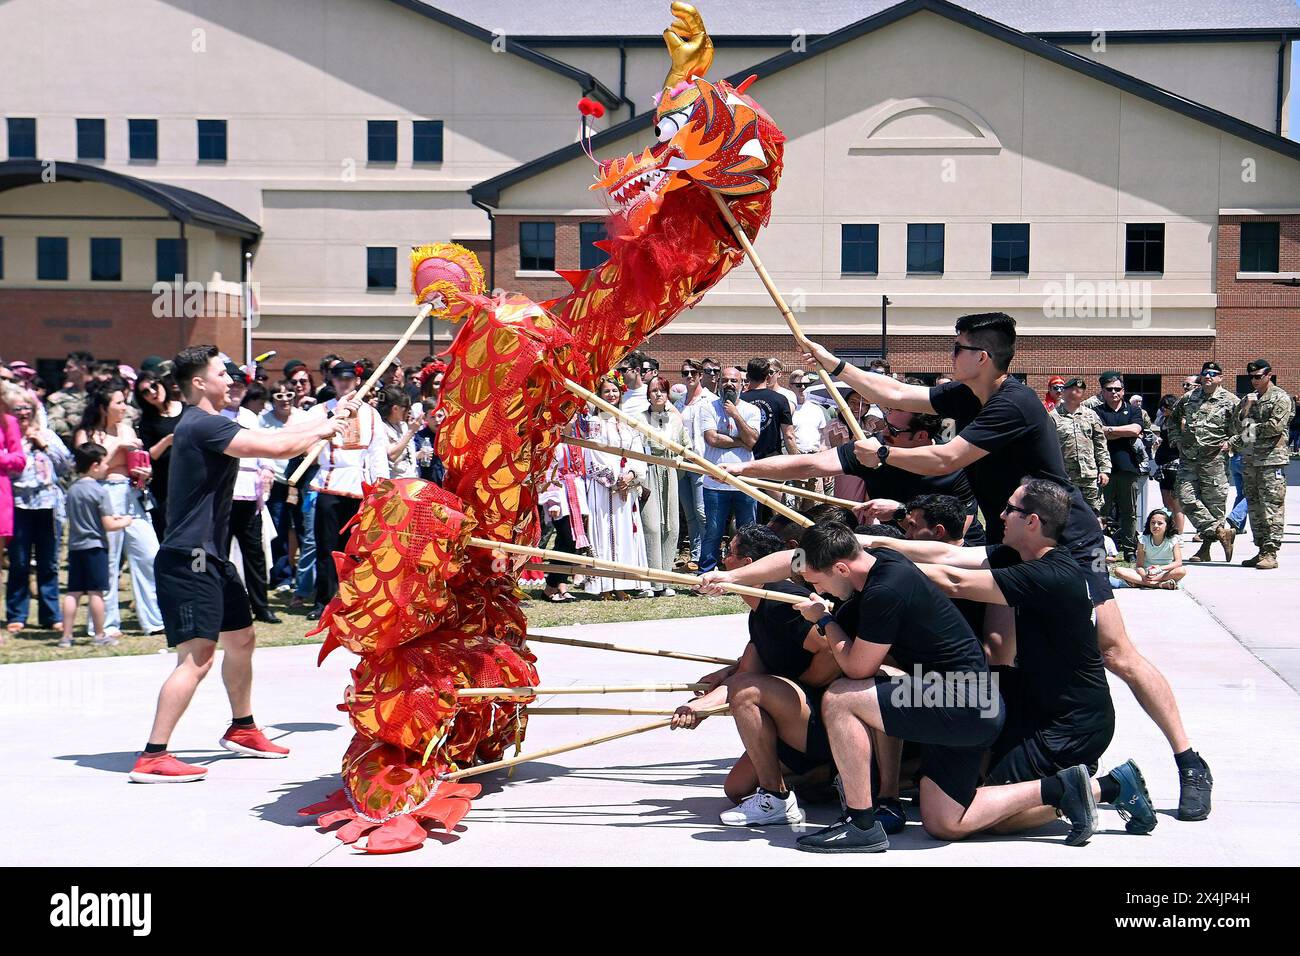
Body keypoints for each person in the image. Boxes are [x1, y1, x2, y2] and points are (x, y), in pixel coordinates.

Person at [800, 312, 1213, 821]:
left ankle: (1188, 760)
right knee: (1002, 648)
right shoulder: (966, 394)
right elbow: (899, 395)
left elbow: (945, 458)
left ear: (982, 356)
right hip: (1008, 534)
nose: (950, 357)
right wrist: (837, 365)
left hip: (1060, 537)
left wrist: (882, 455)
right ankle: (1003, 747)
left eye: (957, 348)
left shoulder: (1011, 402)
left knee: (1113, 650)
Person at [865, 479, 1156, 844]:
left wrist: (869, 567)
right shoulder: (1018, 553)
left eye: (1009, 510)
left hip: (1072, 722)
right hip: (1033, 705)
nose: (1000, 516)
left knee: (981, 819)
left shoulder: (1052, 574)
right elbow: (947, 555)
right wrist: (872, 543)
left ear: (1032, 521)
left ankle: (1108, 787)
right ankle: (1069, 782)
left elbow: (953, 580)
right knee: (982, 797)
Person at [703, 521, 1000, 853]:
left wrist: (825, 620)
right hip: (970, 696)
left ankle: (861, 823)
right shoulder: (872, 561)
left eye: (817, 581)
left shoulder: (883, 592)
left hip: (965, 699)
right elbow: (789, 559)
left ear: (840, 567)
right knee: (944, 822)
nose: (821, 591)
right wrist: (731, 578)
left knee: (843, 698)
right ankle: (1057, 788)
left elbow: (858, 667)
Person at [129, 344, 351, 783]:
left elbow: (279, 438)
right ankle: (153, 756)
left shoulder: (211, 423)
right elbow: (275, 446)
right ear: (198, 383)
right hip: (189, 559)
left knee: (243, 638)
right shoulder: (201, 423)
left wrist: (329, 415)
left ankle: (242, 728)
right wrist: (326, 426)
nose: (230, 378)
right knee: (197, 658)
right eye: (220, 372)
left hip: (210, 556)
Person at [673, 525, 844, 827]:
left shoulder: (782, 601)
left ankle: (776, 797)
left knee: (748, 692)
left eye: (729, 553)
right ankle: (821, 773)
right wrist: (700, 707)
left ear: (747, 564)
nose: (723, 561)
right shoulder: (759, 610)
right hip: (798, 720)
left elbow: (831, 651)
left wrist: (804, 682)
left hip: (827, 718)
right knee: (736, 789)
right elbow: (745, 672)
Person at [723, 407, 985, 547]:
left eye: (892, 431)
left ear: (920, 437)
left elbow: (954, 534)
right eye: (883, 425)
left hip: (954, 551)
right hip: (894, 542)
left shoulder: (950, 465)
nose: (882, 435)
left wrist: (901, 512)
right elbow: (809, 464)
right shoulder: (870, 452)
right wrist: (744, 469)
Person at [74, 379, 163, 638]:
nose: (125, 407)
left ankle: (154, 619)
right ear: (104, 407)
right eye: (120, 402)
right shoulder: (86, 434)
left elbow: (138, 463)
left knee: (149, 554)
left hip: (131, 494)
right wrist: (119, 448)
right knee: (109, 562)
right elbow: (91, 467)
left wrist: (144, 472)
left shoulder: (128, 429)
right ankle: (105, 625)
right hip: (103, 495)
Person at [304, 359, 390, 620]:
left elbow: (377, 454)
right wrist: (333, 417)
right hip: (330, 485)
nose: (344, 383)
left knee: (355, 549)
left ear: (358, 381)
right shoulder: (320, 411)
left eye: (349, 379)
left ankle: (352, 601)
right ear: (332, 381)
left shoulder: (371, 414)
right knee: (326, 547)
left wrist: (381, 488)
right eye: (339, 378)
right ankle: (323, 602)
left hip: (360, 487)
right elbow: (306, 442)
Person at [5, 386, 70, 634]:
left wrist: (44, 446)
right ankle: (17, 614)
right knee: (19, 562)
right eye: (17, 409)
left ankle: (50, 614)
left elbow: (67, 466)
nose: (23, 413)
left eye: (27, 408)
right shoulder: (7, 439)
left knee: (49, 563)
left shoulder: (48, 435)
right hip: (18, 506)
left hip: (48, 506)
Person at [581, 376, 650, 598]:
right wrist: (613, 479)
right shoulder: (593, 423)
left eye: (614, 391)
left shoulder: (628, 422)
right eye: (606, 392)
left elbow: (637, 452)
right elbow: (592, 454)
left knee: (624, 534)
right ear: (599, 395)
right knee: (603, 531)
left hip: (626, 488)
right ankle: (603, 585)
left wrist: (631, 475)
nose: (611, 395)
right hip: (603, 488)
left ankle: (622, 583)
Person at [59, 443, 133, 648]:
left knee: (73, 592)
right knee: (96, 593)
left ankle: (66, 636)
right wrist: (126, 521)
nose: (105, 468)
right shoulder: (100, 491)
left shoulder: (72, 490)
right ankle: (100, 635)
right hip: (96, 548)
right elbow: (109, 525)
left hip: (75, 547)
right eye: (102, 464)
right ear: (94, 465)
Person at [221, 366, 277, 625]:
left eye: (239, 387)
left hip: (249, 494)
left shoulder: (251, 417)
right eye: (230, 385)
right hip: (223, 495)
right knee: (220, 554)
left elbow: (263, 448)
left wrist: (267, 468)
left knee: (254, 553)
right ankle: (222, 605)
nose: (235, 390)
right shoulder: (215, 415)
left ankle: (261, 606)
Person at [1170, 361, 1239, 563]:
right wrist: (1176, 439)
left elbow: (1248, 428)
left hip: (1215, 460)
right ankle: (1220, 532)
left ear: (1220, 378)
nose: (1208, 376)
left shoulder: (1231, 401)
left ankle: (1205, 548)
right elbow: (1172, 420)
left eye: (1213, 373)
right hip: (1189, 459)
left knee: (1214, 504)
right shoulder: (1189, 397)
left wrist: (1231, 443)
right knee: (1184, 497)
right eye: (1205, 373)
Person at [1229, 359, 1292, 569]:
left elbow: (1275, 427)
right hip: (1249, 460)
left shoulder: (1280, 397)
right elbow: (1236, 425)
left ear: (1269, 375)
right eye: (1252, 377)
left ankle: (1271, 552)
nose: (1254, 381)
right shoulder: (1249, 398)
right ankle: (1260, 549)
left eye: (1258, 376)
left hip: (1271, 460)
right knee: (1254, 506)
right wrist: (1247, 406)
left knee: (1271, 506)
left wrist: (1249, 429)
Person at [698, 367, 760, 573]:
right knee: (713, 531)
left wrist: (735, 415)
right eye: (724, 380)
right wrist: (741, 441)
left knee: (748, 532)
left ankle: (747, 574)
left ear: (743, 384)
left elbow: (751, 442)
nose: (729, 384)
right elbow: (712, 439)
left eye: (734, 381)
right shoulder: (707, 407)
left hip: (744, 482)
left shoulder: (752, 410)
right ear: (718, 384)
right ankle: (706, 572)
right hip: (715, 482)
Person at [1093, 371, 1146, 560]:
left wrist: (1110, 430)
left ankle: (1129, 550)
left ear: (1123, 391)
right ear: (1103, 391)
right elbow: (1098, 433)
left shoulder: (1133, 411)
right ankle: (1101, 550)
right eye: (1109, 389)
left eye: (1117, 389)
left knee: (1129, 512)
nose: (1114, 392)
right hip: (1104, 470)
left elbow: (1135, 429)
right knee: (1102, 512)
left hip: (1128, 467)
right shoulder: (1097, 412)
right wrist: (1122, 432)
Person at [640, 375, 685, 594]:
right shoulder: (639, 419)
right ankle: (652, 581)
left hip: (670, 472)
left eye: (662, 390)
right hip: (648, 472)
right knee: (651, 525)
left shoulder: (675, 419)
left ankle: (666, 580)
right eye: (654, 391)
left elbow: (686, 444)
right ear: (648, 394)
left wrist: (680, 460)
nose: (658, 394)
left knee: (671, 526)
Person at [538, 437, 589, 602]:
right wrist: (552, 501)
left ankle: (561, 586)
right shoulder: (552, 439)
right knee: (566, 540)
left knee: (570, 542)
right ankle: (550, 587)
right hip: (560, 494)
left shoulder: (577, 436)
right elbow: (548, 469)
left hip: (576, 493)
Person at [135, 370, 184, 540]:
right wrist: (168, 440)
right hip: (165, 486)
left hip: (191, 480)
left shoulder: (187, 409)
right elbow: (149, 455)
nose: (152, 393)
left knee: (194, 534)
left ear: (162, 383)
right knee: (168, 536)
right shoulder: (147, 421)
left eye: (154, 386)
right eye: (145, 392)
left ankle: (196, 566)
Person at [1051, 376, 1110, 514]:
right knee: (1065, 514)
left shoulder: (1091, 415)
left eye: (1079, 390)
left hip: (1089, 475)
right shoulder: (1052, 417)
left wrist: (1104, 469)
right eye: (1071, 389)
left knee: (1092, 513)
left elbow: (1100, 444)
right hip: (1065, 476)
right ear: (1063, 392)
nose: (1075, 393)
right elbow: (1048, 448)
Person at [676, 358, 714, 569]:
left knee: (702, 511)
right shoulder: (678, 402)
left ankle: (710, 553)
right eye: (685, 373)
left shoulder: (710, 399)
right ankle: (696, 555)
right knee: (690, 513)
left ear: (700, 375)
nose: (689, 376)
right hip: (683, 463)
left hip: (702, 462)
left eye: (693, 372)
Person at [1112, 509, 1185, 589]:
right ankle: (1158, 585)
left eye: (1160, 523)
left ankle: (1141, 583)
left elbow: (1178, 563)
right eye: (1153, 523)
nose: (1155, 526)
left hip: (1164, 573)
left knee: (1181, 571)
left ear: (1167, 526)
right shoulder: (1143, 540)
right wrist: (1144, 576)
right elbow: (1139, 566)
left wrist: (1159, 569)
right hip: (1147, 572)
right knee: (1118, 570)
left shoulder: (1173, 540)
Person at [740, 358, 796, 460]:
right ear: (767, 376)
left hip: (744, 459)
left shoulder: (739, 400)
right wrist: (797, 462)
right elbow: (789, 435)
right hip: (772, 461)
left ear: (747, 376)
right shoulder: (780, 400)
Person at [46, 351, 94, 446]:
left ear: (83, 368)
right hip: (71, 445)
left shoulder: (101, 392)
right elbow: (53, 423)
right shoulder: (58, 397)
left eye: (70, 367)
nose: (65, 370)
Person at [1153, 394, 1185, 535]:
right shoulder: (1164, 420)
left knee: (1176, 502)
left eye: (1167, 406)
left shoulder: (1179, 421)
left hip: (1174, 464)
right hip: (1163, 465)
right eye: (1162, 406)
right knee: (1167, 502)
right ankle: (1172, 531)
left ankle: (1178, 534)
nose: (1164, 409)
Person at [377, 386, 421, 479]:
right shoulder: (380, 427)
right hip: (395, 483)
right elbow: (392, 456)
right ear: (395, 408)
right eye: (406, 408)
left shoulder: (404, 426)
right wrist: (411, 432)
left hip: (411, 479)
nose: (408, 411)